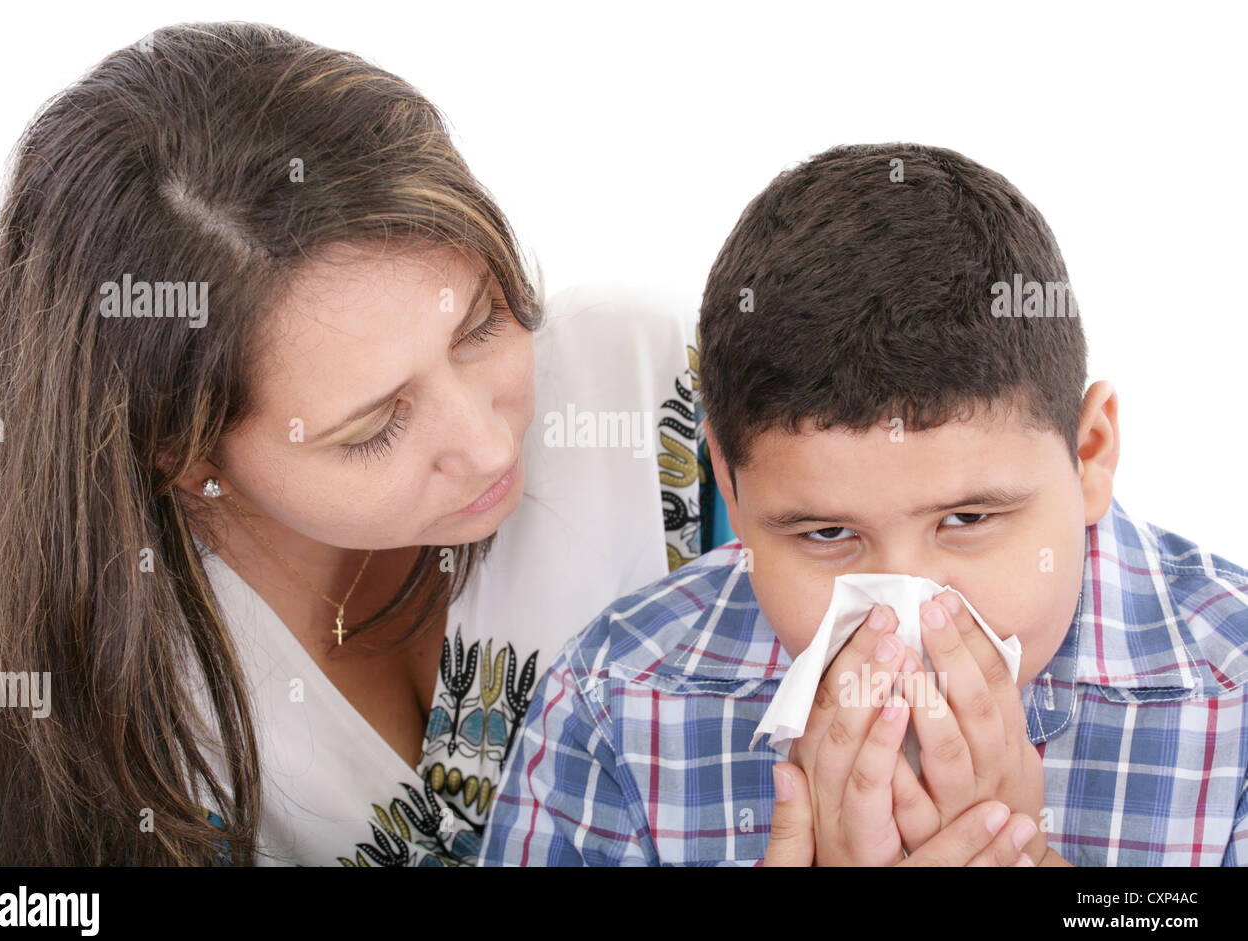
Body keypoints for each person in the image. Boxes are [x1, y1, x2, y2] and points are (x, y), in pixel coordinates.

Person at [0, 21, 706, 865]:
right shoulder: (100, 684)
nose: (490, 450)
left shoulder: (660, 383)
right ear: (183, 452)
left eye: (480, 324)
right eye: (375, 429)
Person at [478, 143, 1248, 866]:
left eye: (968, 520)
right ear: (730, 487)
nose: (905, 614)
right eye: (827, 533)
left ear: (1090, 453)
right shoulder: (615, 702)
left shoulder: (1233, 693)